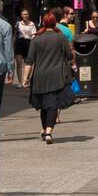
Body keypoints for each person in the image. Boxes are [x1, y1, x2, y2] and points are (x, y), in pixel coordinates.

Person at [27, 11, 75, 144]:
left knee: (44, 105)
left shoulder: (36, 39)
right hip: (56, 76)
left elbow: (29, 60)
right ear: (55, 23)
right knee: (53, 105)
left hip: (39, 77)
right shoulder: (60, 38)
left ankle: (44, 129)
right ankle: (48, 131)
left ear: (43, 22)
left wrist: (25, 78)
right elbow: (70, 56)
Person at [14, 9, 36, 88]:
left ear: (28, 15)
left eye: (26, 14)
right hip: (19, 43)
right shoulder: (18, 24)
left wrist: (33, 44)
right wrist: (13, 45)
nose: (25, 16)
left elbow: (33, 35)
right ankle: (20, 82)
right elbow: (15, 35)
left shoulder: (32, 24)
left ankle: (25, 81)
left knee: (28, 63)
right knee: (19, 63)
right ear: (21, 15)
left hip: (28, 43)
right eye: (23, 14)